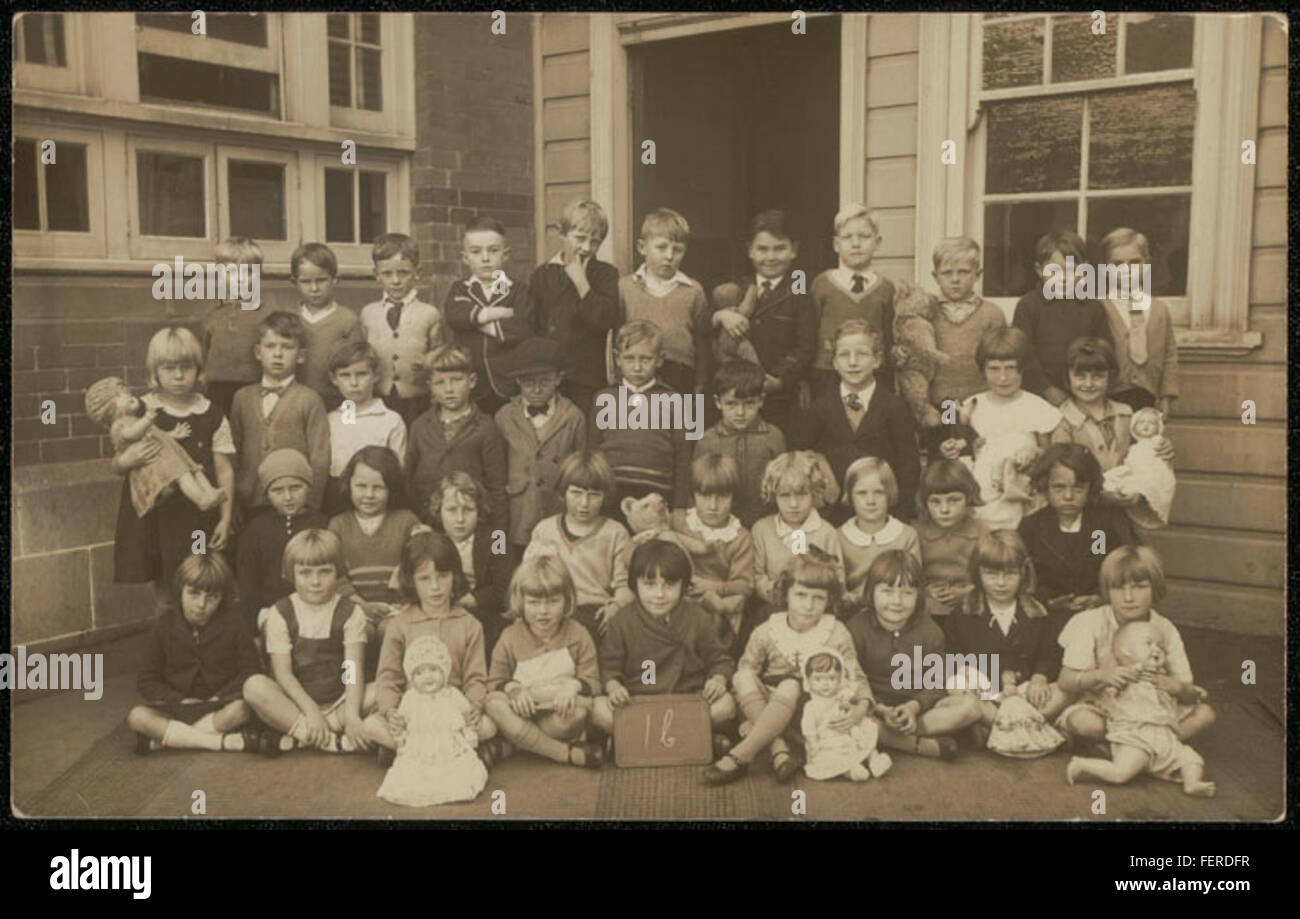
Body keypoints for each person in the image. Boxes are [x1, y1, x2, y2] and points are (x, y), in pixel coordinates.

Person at [703, 549, 865, 785]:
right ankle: (779, 750)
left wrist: (860, 708)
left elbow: (856, 676)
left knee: (790, 684)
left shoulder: (836, 631)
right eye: (800, 595)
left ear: (829, 600)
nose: (808, 605)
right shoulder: (768, 629)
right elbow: (744, 676)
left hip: (811, 712)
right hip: (765, 707)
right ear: (785, 594)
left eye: (818, 598)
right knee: (742, 675)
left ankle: (742, 754)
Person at [112, 327, 236, 614]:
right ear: (155, 372)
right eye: (169, 369)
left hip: (197, 516)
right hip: (156, 512)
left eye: (186, 368)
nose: (179, 377)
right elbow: (116, 462)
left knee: (199, 579)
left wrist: (226, 519)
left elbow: (224, 469)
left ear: (199, 369)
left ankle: (201, 647)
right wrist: (128, 460)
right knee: (166, 590)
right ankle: (169, 647)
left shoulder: (211, 413)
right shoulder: (140, 409)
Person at [1056, 546, 1215, 752]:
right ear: (1107, 591)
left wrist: (1175, 687)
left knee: (1205, 714)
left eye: (1139, 587)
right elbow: (1066, 681)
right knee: (1083, 722)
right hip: (1105, 709)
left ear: (1154, 588)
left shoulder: (1165, 628)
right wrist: (1101, 676)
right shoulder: (1090, 622)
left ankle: (1136, 748)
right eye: (1118, 588)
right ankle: (1152, 750)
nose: (1128, 597)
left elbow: (1188, 690)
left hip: (1154, 713)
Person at [363, 530, 496, 765]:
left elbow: (476, 677)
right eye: (424, 578)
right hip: (414, 712)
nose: (435, 586)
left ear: (455, 576)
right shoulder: (400, 624)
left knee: (490, 725)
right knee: (371, 725)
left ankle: (409, 752)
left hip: (452, 711)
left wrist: (474, 706)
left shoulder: (470, 624)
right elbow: (388, 676)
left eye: (443, 575)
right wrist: (390, 711)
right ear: (411, 581)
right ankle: (450, 752)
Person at [592, 539, 737, 749]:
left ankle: (635, 741)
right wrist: (614, 688)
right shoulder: (621, 622)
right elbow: (608, 668)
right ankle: (696, 738)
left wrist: (718, 680)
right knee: (598, 709)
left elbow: (720, 660)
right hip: (638, 703)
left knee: (726, 705)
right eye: (649, 585)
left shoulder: (698, 617)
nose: (659, 595)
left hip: (687, 701)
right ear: (635, 585)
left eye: (669, 585)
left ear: (683, 586)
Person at [242, 529, 375, 754]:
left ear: (338, 572)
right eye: (305, 573)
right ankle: (331, 742)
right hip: (296, 704)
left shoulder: (351, 613)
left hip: (339, 702)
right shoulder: (280, 613)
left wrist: (352, 716)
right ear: (291, 574)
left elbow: (351, 669)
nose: (315, 581)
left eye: (325, 572)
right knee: (254, 687)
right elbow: (283, 674)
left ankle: (301, 736)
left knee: (380, 691)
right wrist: (311, 711)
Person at [847, 550, 983, 759]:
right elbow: (852, 681)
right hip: (873, 709)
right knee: (844, 712)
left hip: (919, 710)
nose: (897, 601)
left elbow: (937, 684)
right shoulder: (856, 629)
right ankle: (916, 744)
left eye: (907, 593)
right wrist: (882, 710)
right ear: (870, 592)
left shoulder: (931, 632)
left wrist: (912, 707)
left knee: (971, 707)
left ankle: (889, 737)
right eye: (887, 591)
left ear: (919, 596)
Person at [128, 553, 262, 753]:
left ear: (222, 598)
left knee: (242, 710)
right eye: (193, 594)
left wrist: (220, 696)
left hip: (220, 705)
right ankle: (217, 742)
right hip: (178, 707)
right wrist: (177, 700)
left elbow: (250, 671)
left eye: (211, 597)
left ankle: (170, 740)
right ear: (179, 591)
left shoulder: (235, 624)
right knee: (137, 716)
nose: (201, 604)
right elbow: (147, 679)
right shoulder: (164, 625)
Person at [944, 530, 1068, 746]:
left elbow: (1050, 653)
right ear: (978, 574)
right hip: (988, 697)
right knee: (961, 696)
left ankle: (1002, 729)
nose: (1001, 583)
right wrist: (977, 685)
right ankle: (1027, 728)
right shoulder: (962, 614)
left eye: (1010, 574)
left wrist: (1040, 677)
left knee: (1067, 690)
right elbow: (953, 659)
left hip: (1026, 694)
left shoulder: (1037, 611)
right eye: (992, 574)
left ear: (1023, 573)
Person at [790, 319, 920, 522]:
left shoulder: (895, 406)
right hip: (833, 516)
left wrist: (902, 515)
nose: (852, 362)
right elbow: (800, 452)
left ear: (877, 360)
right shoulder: (820, 407)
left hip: (881, 512)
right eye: (844, 355)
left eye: (862, 354)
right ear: (834, 363)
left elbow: (908, 463)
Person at [481, 556, 605, 769]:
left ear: (567, 599)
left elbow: (593, 682)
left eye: (553, 601)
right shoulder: (509, 636)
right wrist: (513, 689)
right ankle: (564, 754)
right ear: (520, 601)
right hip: (521, 712)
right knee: (493, 704)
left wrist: (573, 686)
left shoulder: (578, 634)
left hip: (557, 714)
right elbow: (495, 682)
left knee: (578, 713)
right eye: (534, 602)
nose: (543, 611)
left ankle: (514, 745)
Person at [1066, 621, 1214, 796]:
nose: (1157, 649)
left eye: (1160, 646)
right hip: (1137, 737)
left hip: (1166, 738)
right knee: (1120, 773)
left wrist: (1189, 691)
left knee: (1192, 759)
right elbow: (1108, 694)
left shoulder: (1164, 678)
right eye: (1148, 643)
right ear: (1126, 651)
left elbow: (1184, 695)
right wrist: (1121, 678)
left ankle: (1192, 783)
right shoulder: (1125, 675)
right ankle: (1081, 764)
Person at [710, 209, 818, 431]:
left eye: (779, 248)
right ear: (749, 251)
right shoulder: (737, 286)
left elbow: (805, 347)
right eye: (762, 249)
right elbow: (702, 324)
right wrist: (721, 316)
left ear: (793, 250)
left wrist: (779, 379)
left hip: (780, 396)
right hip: (738, 393)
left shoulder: (799, 290)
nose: (770, 257)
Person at [494, 336, 588, 562]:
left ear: (558, 379)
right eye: (528, 382)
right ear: (517, 381)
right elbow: (496, 471)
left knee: (556, 562)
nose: (536, 389)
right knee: (514, 562)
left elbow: (581, 470)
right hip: (517, 510)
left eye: (544, 381)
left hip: (556, 509)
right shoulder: (504, 416)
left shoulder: (573, 417)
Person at [1018, 443, 1138, 617]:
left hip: (1097, 616)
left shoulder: (1101, 527)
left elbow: (1109, 565)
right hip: (1046, 620)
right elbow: (1021, 580)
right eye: (1059, 488)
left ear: (1090, 488)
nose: (1068, 496)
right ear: (1045, 486)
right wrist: (1046, 602)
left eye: (1078, 488)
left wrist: (1100, 597)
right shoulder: (1031, 528)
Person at [522, 450, 634, 637]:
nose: (584, 503)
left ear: (605, 496)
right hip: (553, 610)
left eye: (594, 495)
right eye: (576, 493)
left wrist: (616, 605)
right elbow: (528, 578)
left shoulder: (616, 532)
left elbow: (626, 585)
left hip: (596, 612)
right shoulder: (544, 530)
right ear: (563, 492)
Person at [228, 310, 330, 513]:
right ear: (258, 352)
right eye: (270, 346)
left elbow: (320, 458)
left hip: (293, 504)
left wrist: (310, 504)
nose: (277, 354)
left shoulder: (309, 399)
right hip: (248, 501)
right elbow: (233, 453)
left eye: (287, 347)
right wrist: (233, 505)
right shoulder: (242, 398)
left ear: (300, 356)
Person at [962, 326, 1062, 531]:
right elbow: (959, 450)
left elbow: (1052, 455)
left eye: (1010, 368)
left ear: (1023, 368)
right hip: (983, 502)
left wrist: (1035, 452)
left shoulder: (1037, 407)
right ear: (983, 370)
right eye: (994, 369)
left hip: (1023, 499)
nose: (1003, 378)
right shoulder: (970, 405)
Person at [529, 199, 621, 415]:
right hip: (550, 374)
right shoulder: (542, 275)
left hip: (587, 377)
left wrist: (581, 282)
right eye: (580, 238)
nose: (587, 247)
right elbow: (533, 325)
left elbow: (603, 320)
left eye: (595, 242)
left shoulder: (605, 275)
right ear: (562, 234)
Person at [589, 320, 692, 510]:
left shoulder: (675, 399)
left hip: (657, 493)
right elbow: (592, 451)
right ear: (617, 359)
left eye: (645, 359)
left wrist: (679, 507)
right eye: (629, 358)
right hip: (611, 491)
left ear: (660, 359)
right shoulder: (604, 398)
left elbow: (684, 458)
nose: (637, 367)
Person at [86, 375, 225, 516]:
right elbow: (130, 436)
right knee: (183, 474)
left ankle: (210, 492)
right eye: (119, 394)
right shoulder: (125, 422)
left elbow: (157, 435)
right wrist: (146, 420)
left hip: (172, 457)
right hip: (157, 464)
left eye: (126, 391)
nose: (128, 394)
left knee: (193, 469)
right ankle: (201, 499)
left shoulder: (136, 417)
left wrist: (172, 434)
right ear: (109, 410)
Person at [327, 445, 422, 649]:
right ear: (349, 484)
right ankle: (357, 680)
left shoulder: (407, 521)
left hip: (398, 608)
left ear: (392, 488)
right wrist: (361, 604)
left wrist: (403, 601)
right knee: (361, 632)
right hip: (352, 607)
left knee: (392, 631)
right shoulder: (338, 525)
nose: (369, 494)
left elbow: (418, 566)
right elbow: (335, 575)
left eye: (378, 488)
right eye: (361, 486)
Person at [377, 635, 489, 806]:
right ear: (411, 677)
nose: (428, 676)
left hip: (449, 745)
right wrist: (400, 736)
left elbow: (468, 716)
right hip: (420, 747)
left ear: (445, 671)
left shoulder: (453, 695)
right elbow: (401, 723)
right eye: (420, 672)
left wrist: (469, 733)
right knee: (413, 775)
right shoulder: (410, 698)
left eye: (434, 670)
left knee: (458, 771)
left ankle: (453, 785)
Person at [405, 344, 508, 530]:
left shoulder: (486, 427)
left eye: (456, 380)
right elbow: (408, 480)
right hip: (428, 523)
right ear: (430, 387)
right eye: (440, 383)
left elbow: (497, 489)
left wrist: (498, 549)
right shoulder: (419, 426)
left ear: (472, 381)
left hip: (471, 524)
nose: (449, 389)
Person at [443, 216, 533, 416]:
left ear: (505, 254)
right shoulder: (460, 289)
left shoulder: (517, 290)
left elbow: (522, 328)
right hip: (470, 384)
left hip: (508, 384)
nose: (485, 258)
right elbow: (455, 315)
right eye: (476, 252)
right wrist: (496, 313)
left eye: (493, 250)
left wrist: (476, 323)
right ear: (465, 257)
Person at [1012, 229, 1113, 406]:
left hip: (1086, 394)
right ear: (1039, 270)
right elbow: (1023, 354)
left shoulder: (1094, 308)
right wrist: (1047, 389)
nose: (1063, 278)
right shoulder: (1028, 306)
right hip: (1040, 397)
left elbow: (1105, 353)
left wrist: (1088, 388)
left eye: (1071, 270)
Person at [618, 207, 712, 397]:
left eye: (677, 250)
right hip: (637, 375)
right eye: (661, 248)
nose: (669, 256)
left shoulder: (693, 291)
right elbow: (615, 338)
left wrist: (701, 383)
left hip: (681, 377)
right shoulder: (625, 287)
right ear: (642, 247)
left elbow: (703, 341)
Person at [360, 232, 449, 425]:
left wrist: (426, 367)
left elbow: (438, 354)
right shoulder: (368, 313)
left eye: (403, 273)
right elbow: (363, 354)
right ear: (376, 275)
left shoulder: (429, 313)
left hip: (417, 398)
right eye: (387, 273)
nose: (395, 281)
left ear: (417, 272)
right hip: (378, 395)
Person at [667, 453, 755, 645]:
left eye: (722, 497)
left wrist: (715, 587)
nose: (713, 506)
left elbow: (745, 585)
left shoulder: (740, 537)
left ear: (734, 497)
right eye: (705, 496)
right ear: (693, 495)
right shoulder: (677, 520)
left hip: (713, 608)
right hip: (672, 597)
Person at [809, 204, 896, 398]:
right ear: (835, 244)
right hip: (827, 374)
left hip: (873, 374)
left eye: (864, 236)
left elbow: (889, 337)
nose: (856, 244)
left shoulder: (886, 288)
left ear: (877, 242)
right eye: (847, 237)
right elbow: (809, 333)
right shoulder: (821, 284)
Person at [236, 449, 329, 628]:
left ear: (308, 487)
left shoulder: (323, 524)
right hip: (271, 611)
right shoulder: (256, 530)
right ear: (267, 494)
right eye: (277, 490)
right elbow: (248, 583)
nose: (287, 497)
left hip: (317, 611)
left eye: (295, 488)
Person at [924, 236, 1006, 433]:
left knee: (981, 448)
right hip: (942, 401)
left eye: (963, 272)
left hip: (982, 401)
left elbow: (1000, 358)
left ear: (977, 274)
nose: (955, 280)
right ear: (935, 277)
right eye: (947, 273)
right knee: (948, 447)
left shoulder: (992, 314)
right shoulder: (926, 312)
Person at [693, 360, 787, 528]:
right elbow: (698, 488)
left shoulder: (773, 437)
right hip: (721, 525)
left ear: (761, 401)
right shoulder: (708, 440)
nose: (740, 412)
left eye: (749, 403)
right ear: (717, 402)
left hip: (766, 523)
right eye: (731, 404)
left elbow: (783, 485)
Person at [1097, 227, 1179, 415]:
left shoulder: (1159, 310)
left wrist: (1166, 396)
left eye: (1135, 262)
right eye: (1117, 264)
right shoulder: (1099, 307)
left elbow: (1169, 355)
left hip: (1149, 397)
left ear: (1147, 264)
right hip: (1108, 398)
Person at [426, 472, 510, 651]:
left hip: (483, 613)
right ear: (438, 510)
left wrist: (467, 601)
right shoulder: (430, 539)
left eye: (468, 510)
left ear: (479, 511)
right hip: (438, 610)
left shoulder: (497, 537)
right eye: (451, 510)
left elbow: (502, 587)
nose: (460, 519)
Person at [751, 451, 845, 609]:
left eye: (801, 494)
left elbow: (838, 579)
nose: (793, 504)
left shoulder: (827, 532)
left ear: (814, 492)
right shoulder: (762, 530)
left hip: (815, 609)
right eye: (785, 495)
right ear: (774, 496)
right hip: (774, 608)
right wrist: (782, 595)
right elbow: (756, 576)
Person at [325, 340, 407, 515]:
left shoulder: (390, 420)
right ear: (334, 379)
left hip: (378, 501)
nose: (354, 383)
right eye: (345, 375)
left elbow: (398, 472)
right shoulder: (331, 420)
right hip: (337, 503)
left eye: (361, 374)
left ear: (375, 375)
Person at [837, 456, 920, 610]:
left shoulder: (907, 536)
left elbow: (912, 584)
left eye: (879, 492)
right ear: (850, 495)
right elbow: (839, 589)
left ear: (890, 494)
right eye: (862, 493)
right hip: (853, 613)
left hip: (895, 608)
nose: (870, 501)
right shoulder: (839, 536)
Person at [290, 241, 364, 410]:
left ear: (335, 279)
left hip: (337, 401)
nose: (314, 288)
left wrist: (349, 416)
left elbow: (356, 370)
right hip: (297, 401)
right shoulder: (290, 320)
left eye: (321, 280)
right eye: (306, 282)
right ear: (294, 282)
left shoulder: (348, 320)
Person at [200, 236, 267, 418]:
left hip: (254, 387)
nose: (240, 280)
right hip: (217, 389)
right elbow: (205, 352)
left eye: (248, 273)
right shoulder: (212, 313)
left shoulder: (266, 314)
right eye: (231, 273)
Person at [801, 650, 892, 781]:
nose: (825, 684)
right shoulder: (811, 707)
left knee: (866, 730)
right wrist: (813, 744)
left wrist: (851, 714)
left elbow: (851, 709)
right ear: (808, 681)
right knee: (833, 759)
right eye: (818, 679)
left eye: (831, 678)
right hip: (827, 742)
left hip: (847, 735)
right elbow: (808, 729)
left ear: (840, 679)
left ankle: (875, 760)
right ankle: (851, 771)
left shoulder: (841, 698)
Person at [915, 458, 987, 618]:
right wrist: (924, 591)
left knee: (982, 643)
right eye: (935, 502)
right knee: (918, 642)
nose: (944, 509)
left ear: (969, 497)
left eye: (953, 500)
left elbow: (992, 574)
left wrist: (967, 592)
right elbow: (907, 577)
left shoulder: (983, 532)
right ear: (925, 502)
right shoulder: (914, 533)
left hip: (969, 611)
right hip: (925, 614)